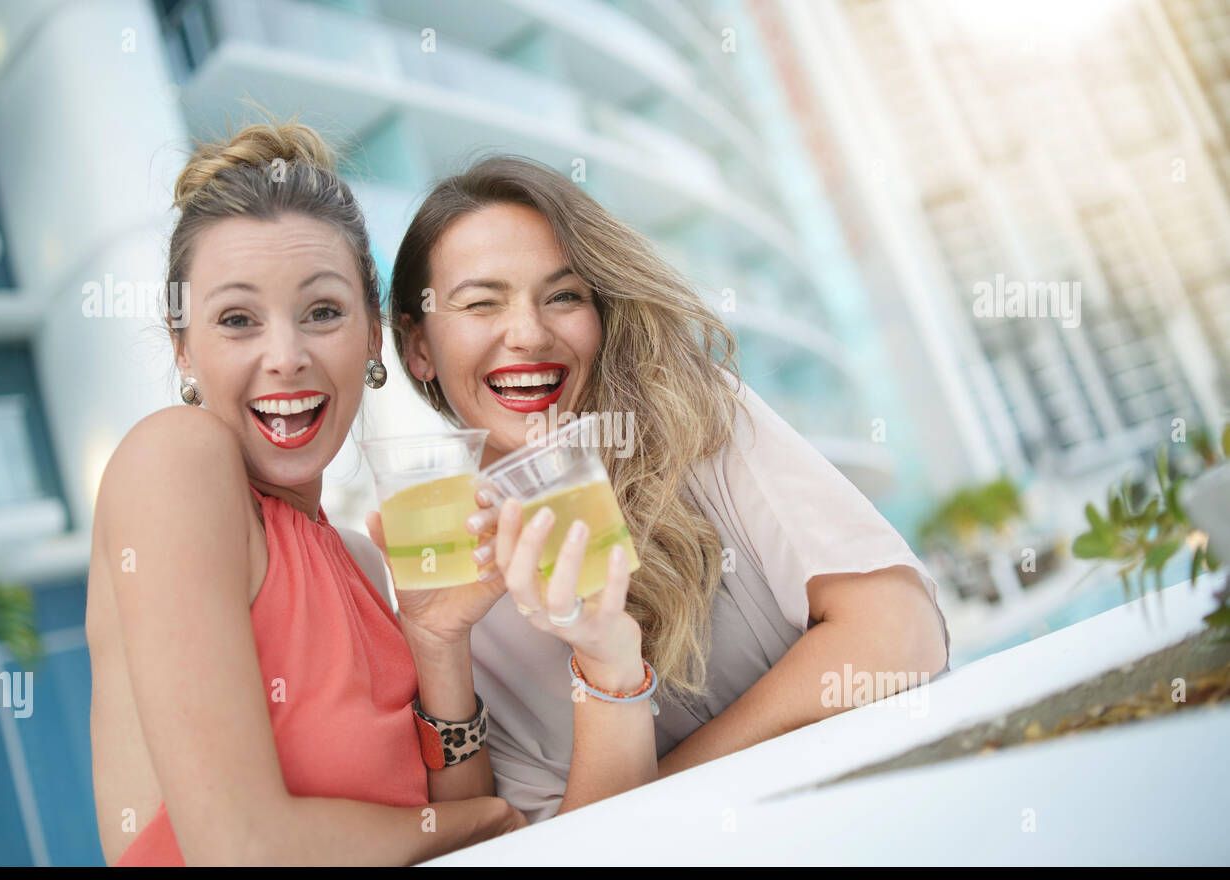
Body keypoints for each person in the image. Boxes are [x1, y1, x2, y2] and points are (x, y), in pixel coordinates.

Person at [382, 156, 952, 822]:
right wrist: (589, 663)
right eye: (482, 303)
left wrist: (664, 788)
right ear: (418, 348)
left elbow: (899, 632)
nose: (530, 333)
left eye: (564, 295)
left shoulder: (700, 423)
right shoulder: (456, 597)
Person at [85, 120, 525, 866]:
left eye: (323, 312)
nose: (285, 357)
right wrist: (490, 819)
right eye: (236, 320)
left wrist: (440, 647)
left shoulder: (358, 554)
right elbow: (243, 849)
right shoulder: (174, 458)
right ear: (182, 347)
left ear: (373, 336)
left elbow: (450, 827)